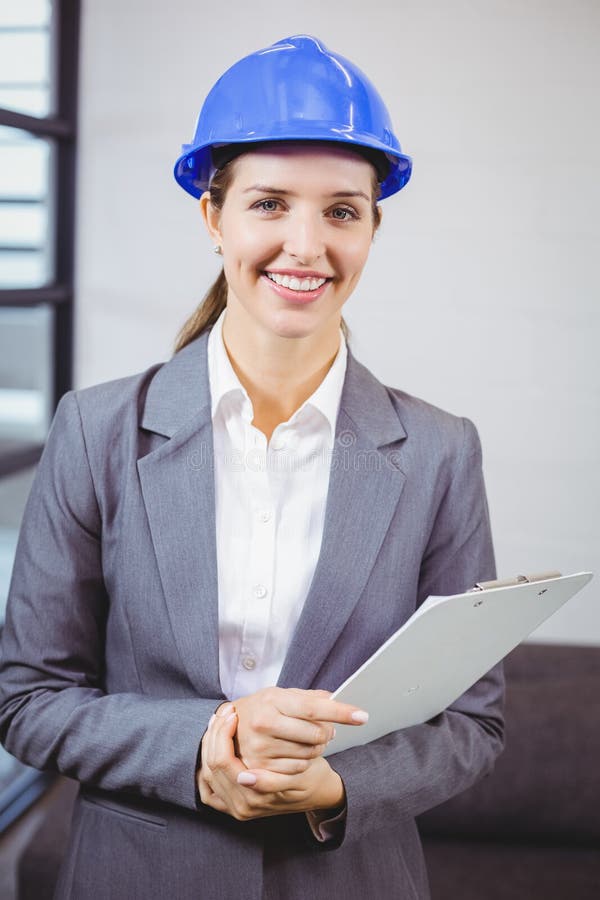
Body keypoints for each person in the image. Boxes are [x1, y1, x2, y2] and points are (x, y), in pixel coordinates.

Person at [0, 35, 504, 900]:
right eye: (269, 203)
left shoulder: (439, 450)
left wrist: (341, 786)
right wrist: (206, 744)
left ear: (374, 225)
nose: (305, 245)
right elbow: (29, 699)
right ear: (213, 215)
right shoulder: (97, 431)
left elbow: (472, 722)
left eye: (342, 211)